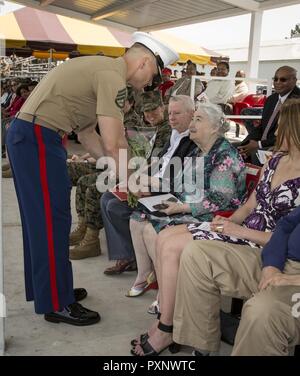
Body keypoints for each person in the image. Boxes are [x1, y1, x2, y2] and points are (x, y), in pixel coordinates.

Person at [6, 31, 179, 326]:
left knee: (50, 220)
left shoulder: (104, 71)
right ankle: (57, 303)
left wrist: (114, 171)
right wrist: (135, 185)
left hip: (37, 137)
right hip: (38, 138)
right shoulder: (112, 76)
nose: (151, 83)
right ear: (144, 62)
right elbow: (116, 143)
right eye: (154, 74)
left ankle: (52, 290)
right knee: (50, 221)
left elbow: (88, 134)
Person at [132, 97, 300, 356]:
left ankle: (168, 325)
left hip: (260, 241)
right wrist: (229, 222)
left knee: (174, 245)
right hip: (241, 228)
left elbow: (228, 201)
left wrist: (236, 228)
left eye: (281, 126)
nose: (275, 132)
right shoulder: (275, 160)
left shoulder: (225, 154)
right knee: (165, 237)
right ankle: (174, 322)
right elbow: (248, 204)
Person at [101, 95, 196, 275]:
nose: (172, 118)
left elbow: (176, 177)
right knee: (106, 197)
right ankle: (129, 255)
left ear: (192, 113)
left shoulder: (192, 138)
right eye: (170, 113)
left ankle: (134, 256)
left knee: (115, 206)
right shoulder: (175, 133)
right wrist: (137, 176)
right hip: (155, 182)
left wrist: (146, 183)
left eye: (177, 113)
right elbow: (159, 161)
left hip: (168, 190)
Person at [238, 66, 300, 165]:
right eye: (275, 79)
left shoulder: (296, 102)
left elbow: (288, 135)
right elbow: (263, 126)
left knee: (256, 155)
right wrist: (248, 142)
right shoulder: (271, 99)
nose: (278, 82)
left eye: (283, 80)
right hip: (263, 143)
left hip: (283, 147)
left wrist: (258, 144)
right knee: (235, 149)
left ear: (294, 80)